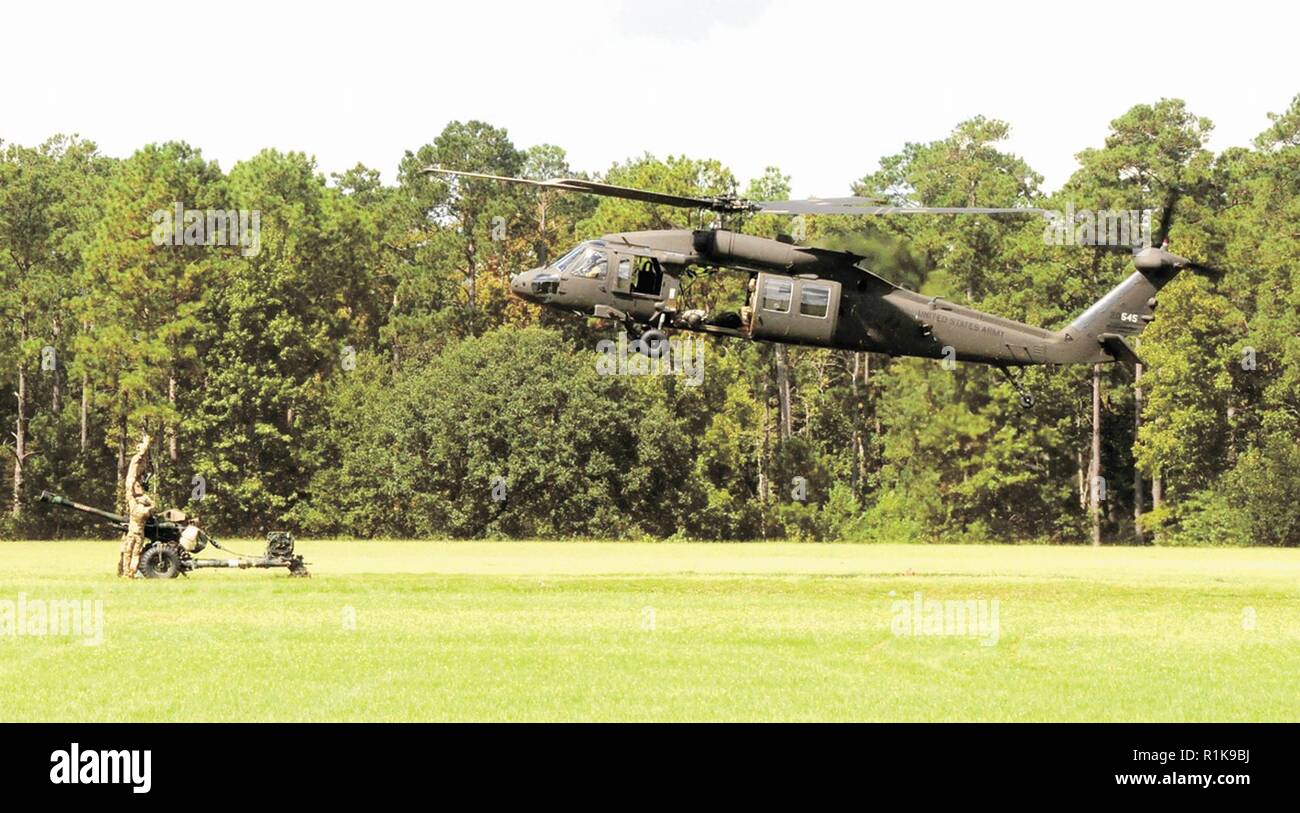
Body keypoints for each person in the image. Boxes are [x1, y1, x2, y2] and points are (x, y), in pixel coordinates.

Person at [118, 433, 155, 578]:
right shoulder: (136, 460)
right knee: (133, 551)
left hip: (134, 525)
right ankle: (129, 572)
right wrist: (146, 442)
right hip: (131, 487)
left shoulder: (135, 505)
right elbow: (141, 453)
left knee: (129, 550)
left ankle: (126, 571)